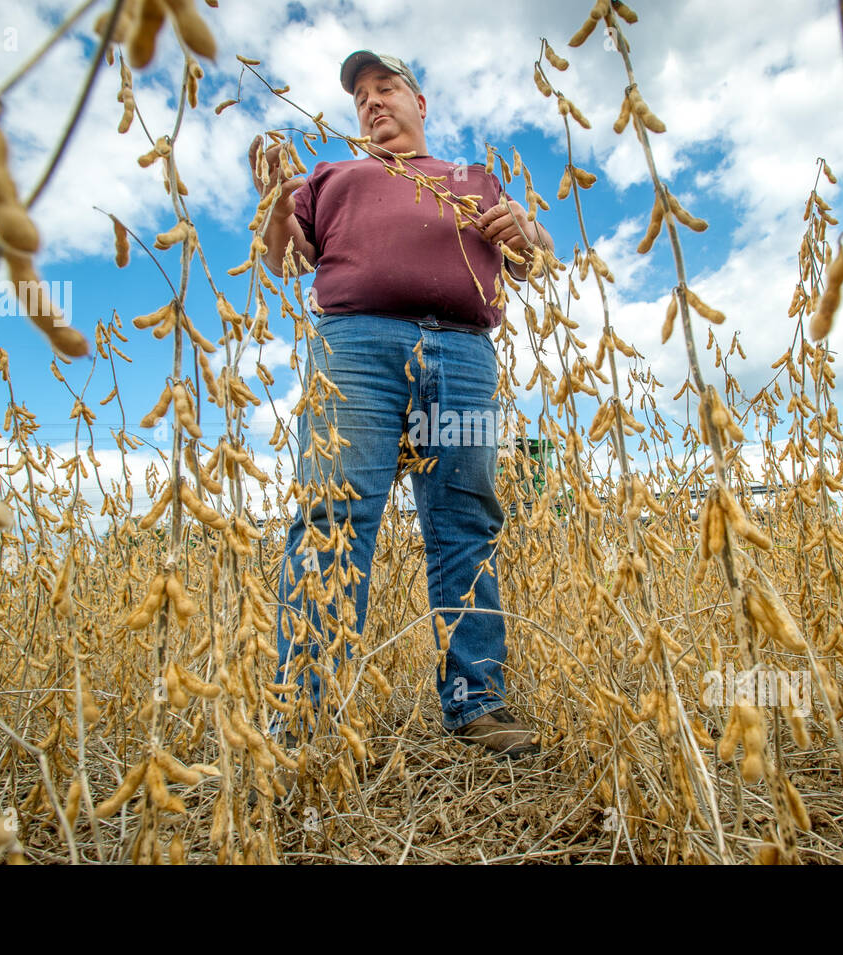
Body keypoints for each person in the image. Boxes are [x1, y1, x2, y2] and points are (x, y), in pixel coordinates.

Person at [248, 50, 553, 758]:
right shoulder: (331, 177)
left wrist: (525, 231)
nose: (372, 103)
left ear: (421, 101)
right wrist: (271, 201)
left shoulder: (471, 180)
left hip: (464, 350)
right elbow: (286, 261)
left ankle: (477, 702)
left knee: (465, 521)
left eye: (386, 89)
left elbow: (534, 259)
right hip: (357, 347)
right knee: (332, 517)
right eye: (360, 96)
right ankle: (304, 719)